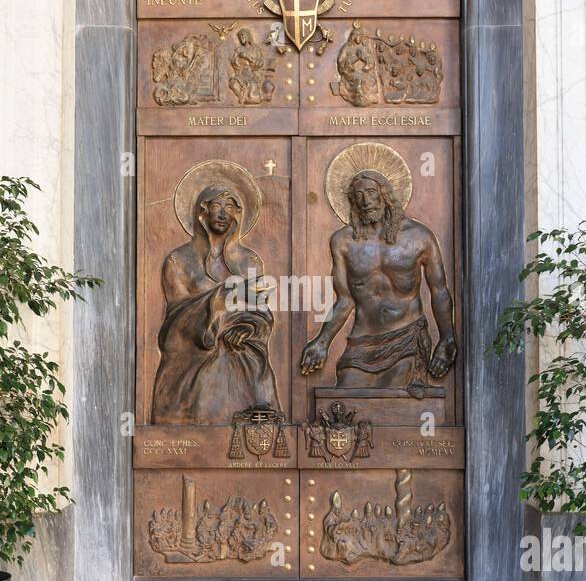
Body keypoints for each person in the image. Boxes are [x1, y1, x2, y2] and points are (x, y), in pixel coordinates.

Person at [299, 170, 457, 394]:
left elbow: (439, 291)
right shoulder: (343, 241)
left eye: (371, 192)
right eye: (358, 195)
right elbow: (345, 300)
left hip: (407, 338)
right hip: (362, 342)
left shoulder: (419, 237)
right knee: (345, 401)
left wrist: (447, 338)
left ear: (386, 195)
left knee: (392, 396)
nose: (366, 201)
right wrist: (322, 341)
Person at [152, 184, 279, 423]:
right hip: (195, 356)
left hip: (243, 354)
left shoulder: (249, 260)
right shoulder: (178, 260)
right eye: (217, 205)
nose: (223, 213)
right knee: (204, 386)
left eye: (229, 206)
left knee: (259, 384)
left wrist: (248, 328)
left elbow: (260, 311)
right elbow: (176, 321)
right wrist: (226, 294)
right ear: (203, 211)